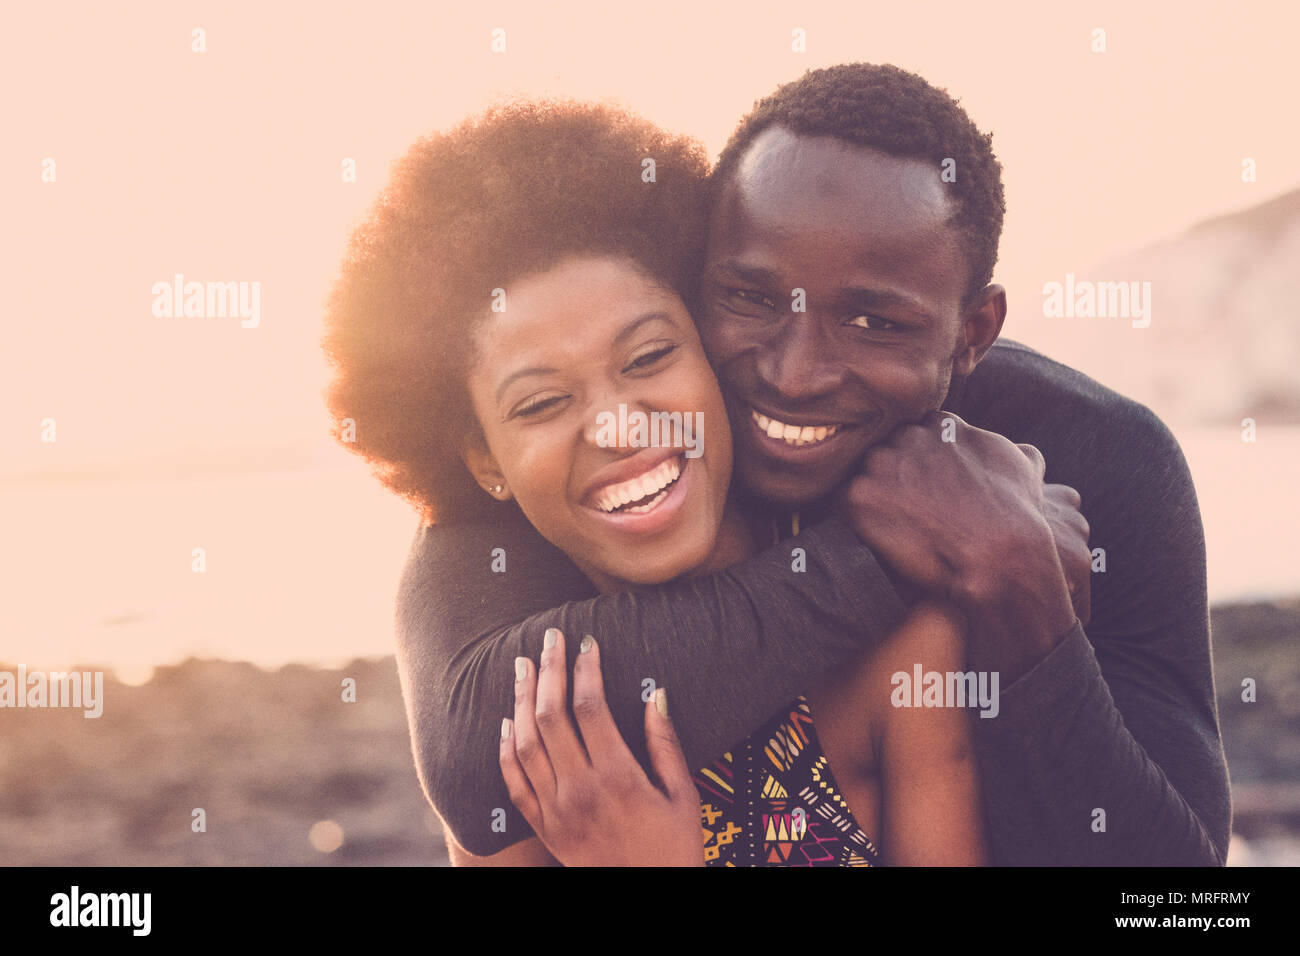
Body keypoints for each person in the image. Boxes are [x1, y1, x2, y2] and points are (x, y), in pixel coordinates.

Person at [333, 64, 1231, 866]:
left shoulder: (1098, 456)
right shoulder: (582, 437)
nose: (794, 374)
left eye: (875, 321)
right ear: (695, 279)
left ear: (973, 336)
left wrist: (1023, 593)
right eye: (751, 298)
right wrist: (886, 555)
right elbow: (473, 761)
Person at [324, 99, 990, 866]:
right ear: (484, 462)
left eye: (647, 358)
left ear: (709, 343)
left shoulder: (903, 651)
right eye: (541, 403)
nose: (618, 426)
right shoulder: (530, 743)